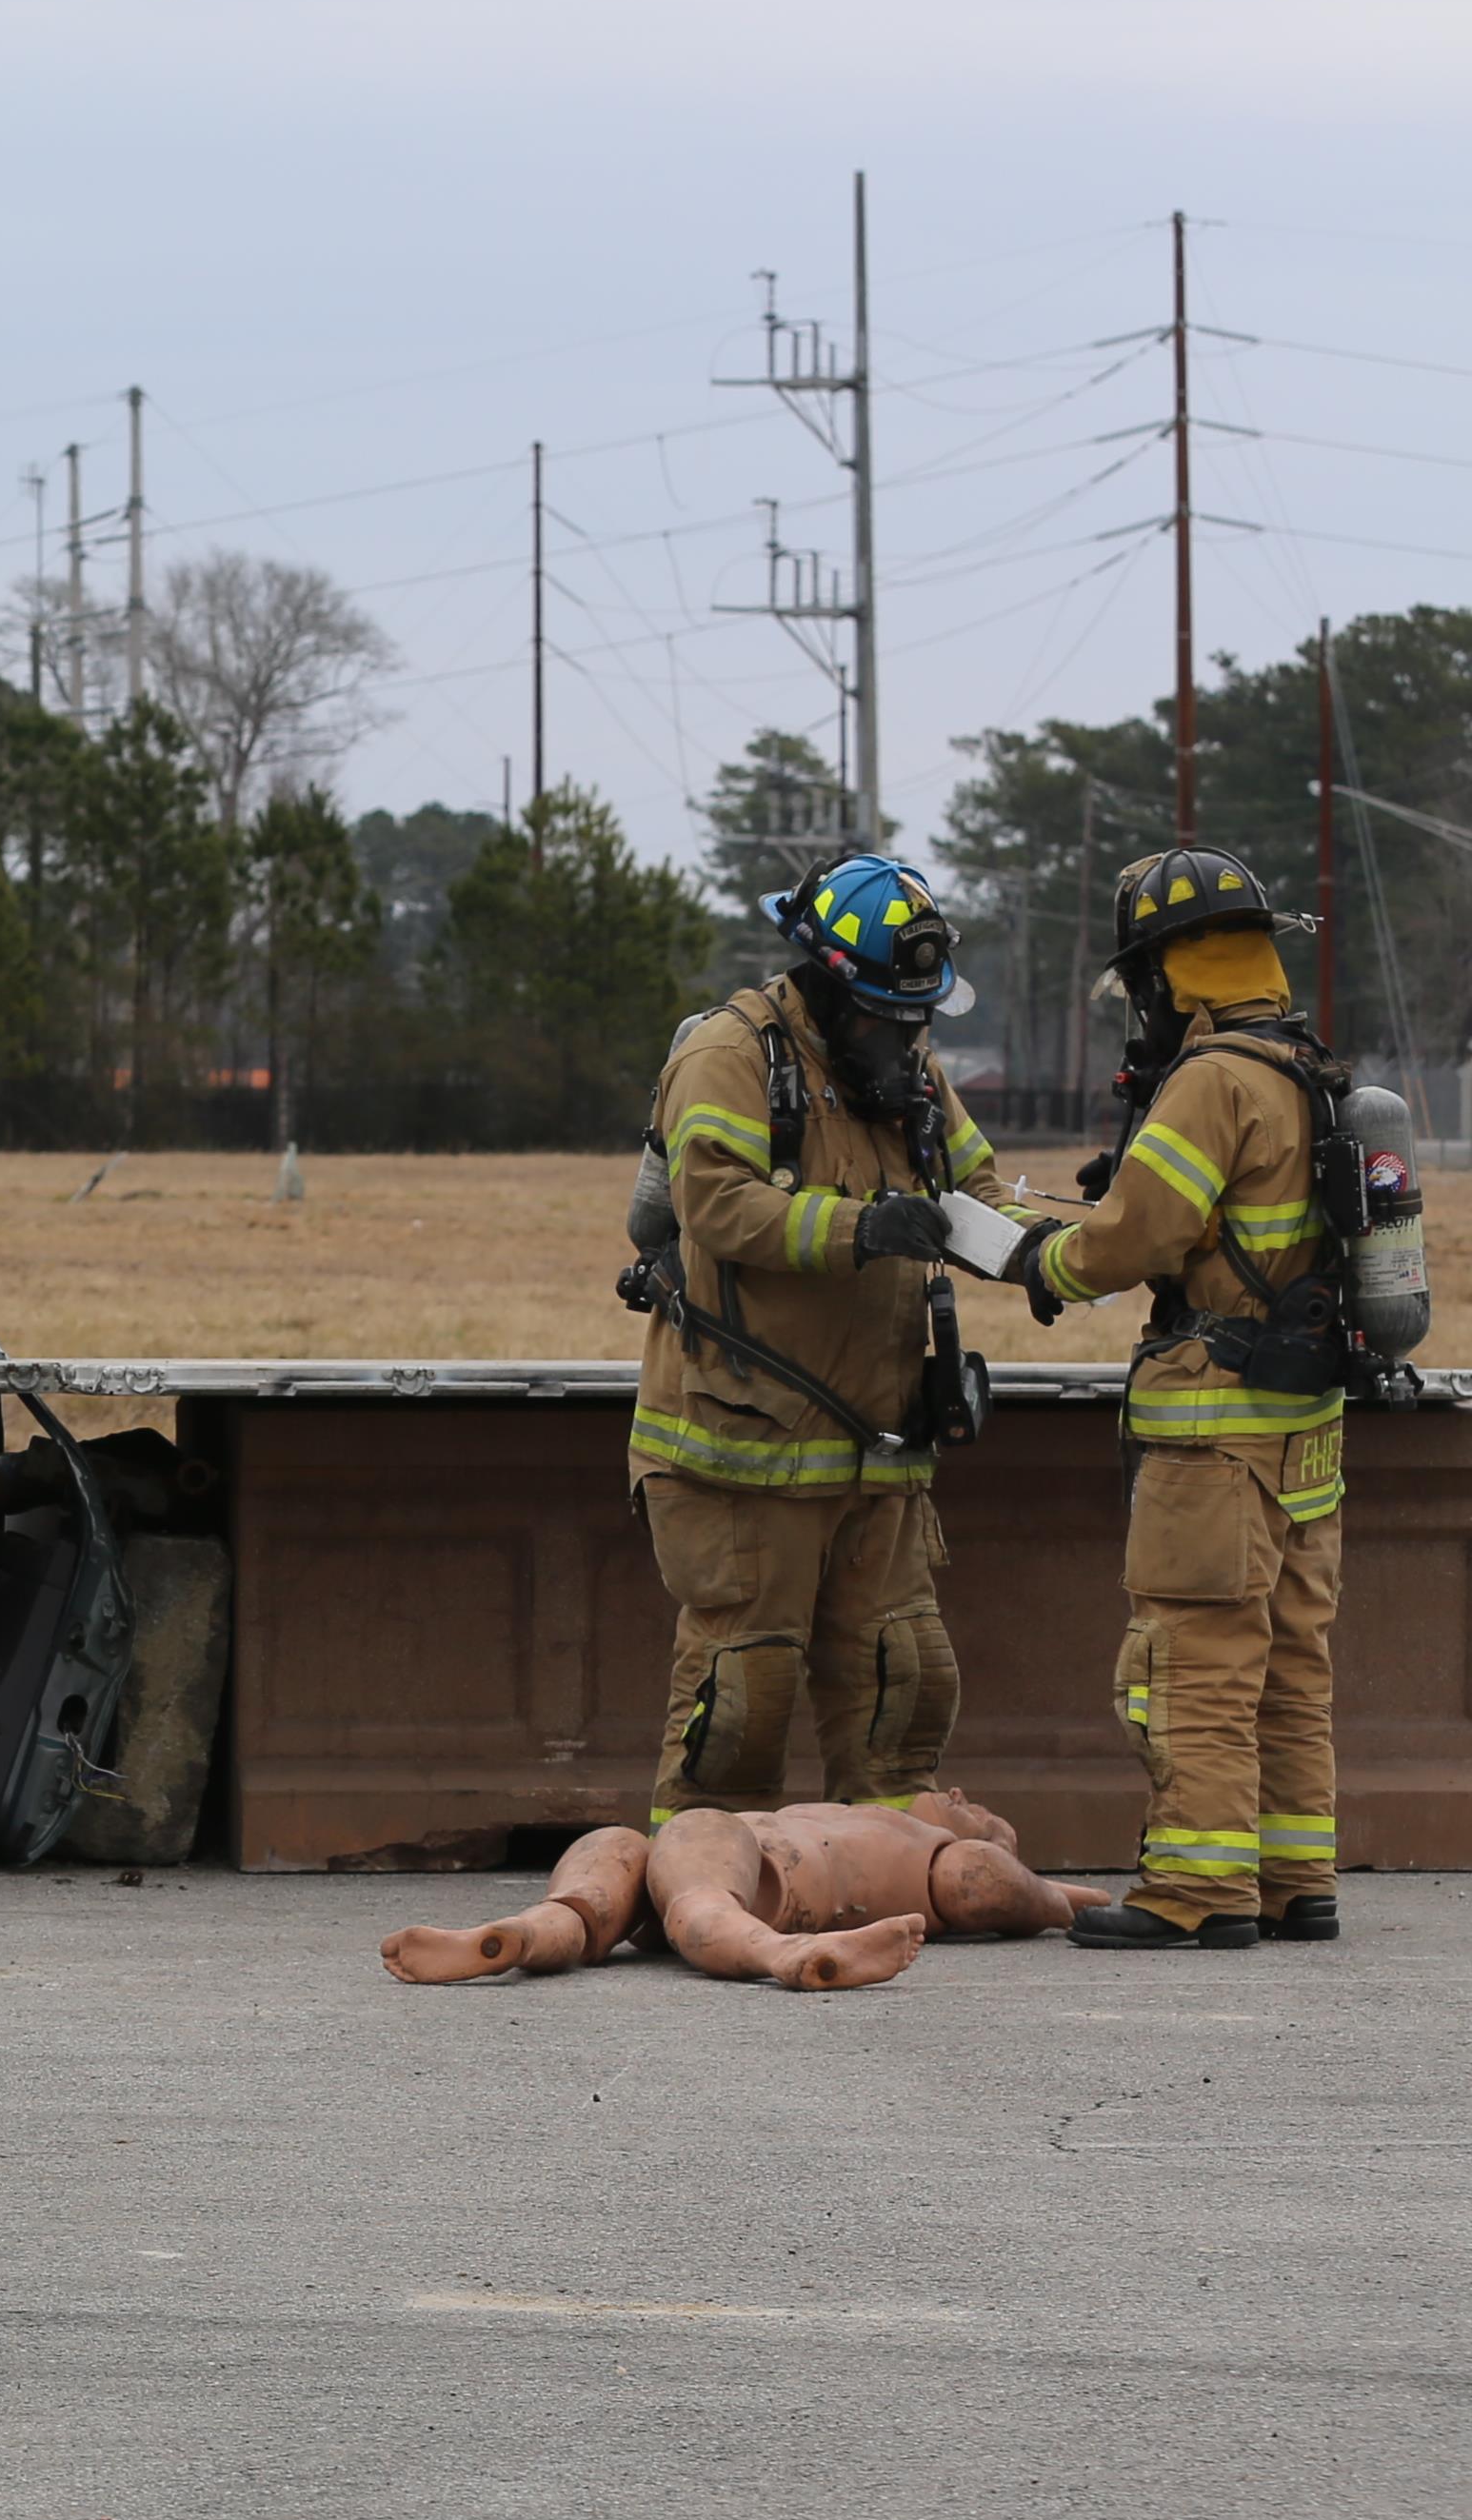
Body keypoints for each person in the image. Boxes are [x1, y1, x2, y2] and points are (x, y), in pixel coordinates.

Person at [621, 850, 1002, 1824]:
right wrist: (860, 1227)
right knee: (743, 1700)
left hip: (880, 1448)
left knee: (901, 1686)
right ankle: (700, 1890)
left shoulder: (905, 1067)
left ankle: (880, 1880)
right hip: (745, 1443)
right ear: (826, 985)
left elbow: (981, 1188)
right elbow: (716, 1205)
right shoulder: (729, 1056)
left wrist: (1043, 1253)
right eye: (890, 1011)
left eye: (921, 1013)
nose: (910, 1033)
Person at [1019, 846, 1354, 1947]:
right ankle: (1294, 1878)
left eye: (1141, 985)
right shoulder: (1307, 1065)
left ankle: (1196, 1894)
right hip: (1305, 1424)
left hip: (1215, 1429)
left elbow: (1139, 1236)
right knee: (1292, 1660)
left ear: (1170, 974)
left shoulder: (1212, 1081)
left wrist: (1044, 1266)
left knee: (1194, 1660)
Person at [381, 1790, 1088, 1991]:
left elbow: (1017, 1891)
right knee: (603, 1874)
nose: (960, 1796)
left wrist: (1059, 1902)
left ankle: (786, 1955)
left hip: (742, 1873)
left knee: (694, 1876)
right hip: (697, 1866)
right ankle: (513, 1937)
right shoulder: (877, 1809)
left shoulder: (948, 1860)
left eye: (979, 1811)